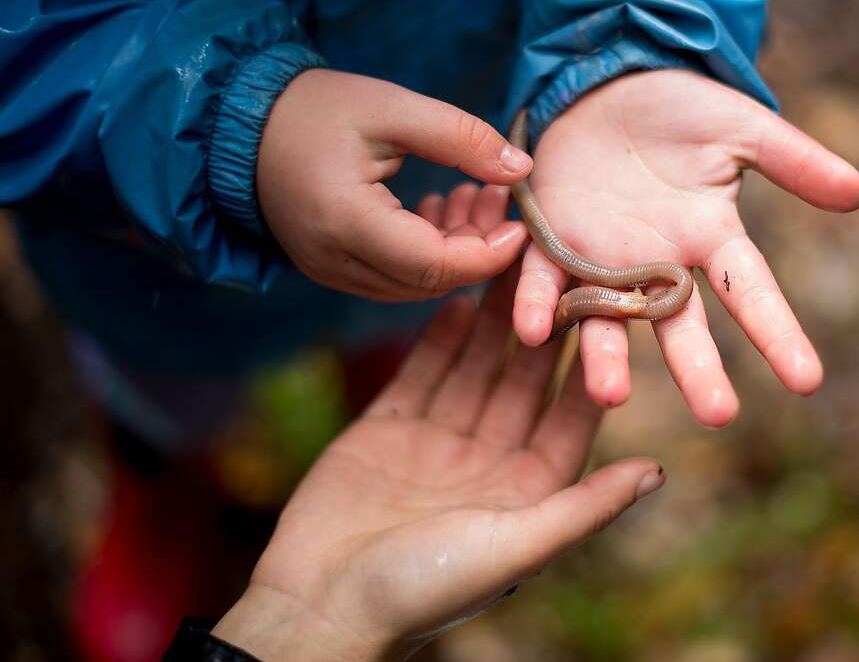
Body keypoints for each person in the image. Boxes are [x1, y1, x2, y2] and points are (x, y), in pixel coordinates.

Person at [2, 0, 859, 657]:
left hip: (450, 184)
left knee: (428, 313)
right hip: (150, 246)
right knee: (164, 379)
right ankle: (162, 487)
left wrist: (633, 41)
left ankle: (377, 384)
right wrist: (225, 123)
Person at [164, 272, 667, 661]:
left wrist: (316, 620)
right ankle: (156, 475)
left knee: (420, 327)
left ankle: (379, 358)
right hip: (164, 324)